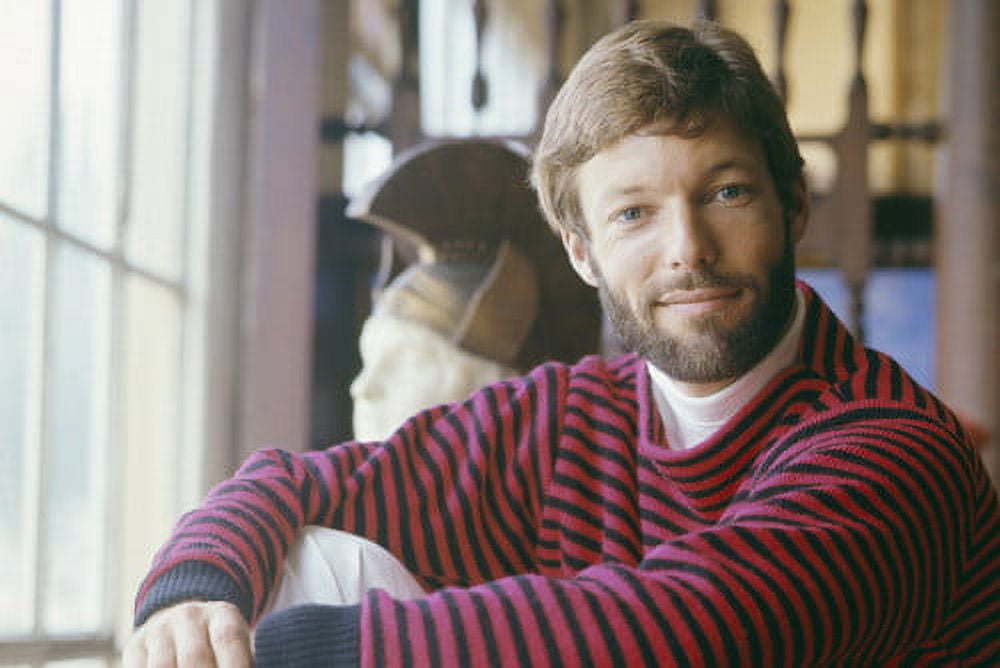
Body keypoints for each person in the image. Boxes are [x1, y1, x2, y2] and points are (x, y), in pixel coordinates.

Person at [125, 19, 1000, 667]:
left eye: (726, 193)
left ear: (794, 205)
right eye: (634, 214)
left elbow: (697, 632)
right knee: (305, 558)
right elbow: (299, 481)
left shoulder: (894, 449)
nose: (687, 248)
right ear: (584, 252)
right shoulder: (570, 415)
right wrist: (194, 593)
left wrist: (326, 653)